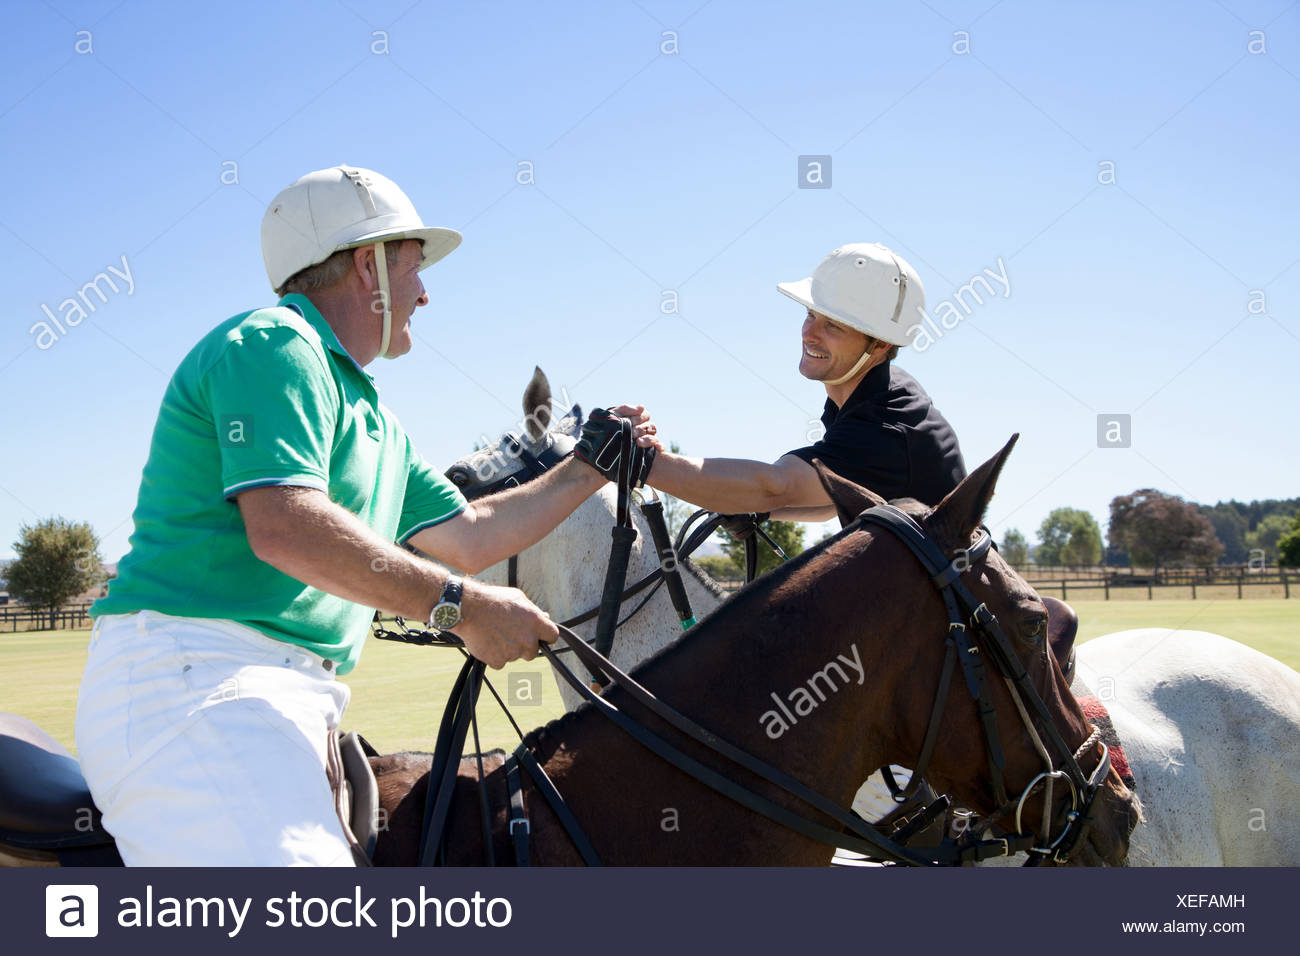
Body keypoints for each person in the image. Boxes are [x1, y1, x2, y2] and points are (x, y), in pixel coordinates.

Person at [77, 165, 652, 866]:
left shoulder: (369, 413)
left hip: (284, 694)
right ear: (367, 266)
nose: (425, 292)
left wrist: (588, 465)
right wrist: (460, 608)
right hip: (196, 679)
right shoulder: (273, 347)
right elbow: (286, 526)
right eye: (414, 268)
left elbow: (471, 537)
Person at [616, 242, 967, 828]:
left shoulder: (886, 420)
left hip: (937, 634)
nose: (811, 330)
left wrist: (642, 462)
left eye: (832, 323)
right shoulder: (862, 400)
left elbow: (777, 487)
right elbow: (811, 494)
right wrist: (751, 507)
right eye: (810, 314)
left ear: (877, 345)